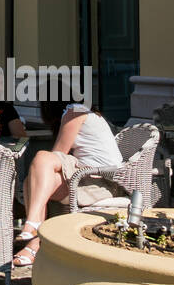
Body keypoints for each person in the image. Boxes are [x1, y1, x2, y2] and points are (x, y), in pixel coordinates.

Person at [14, 100, 124, 267]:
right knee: (32, 181)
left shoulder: (75, 111)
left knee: (42, 158)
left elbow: (58, 153)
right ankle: (35, 242)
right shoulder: (84, 112)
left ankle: (34, 225)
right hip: (87, 179)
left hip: (103, 183)